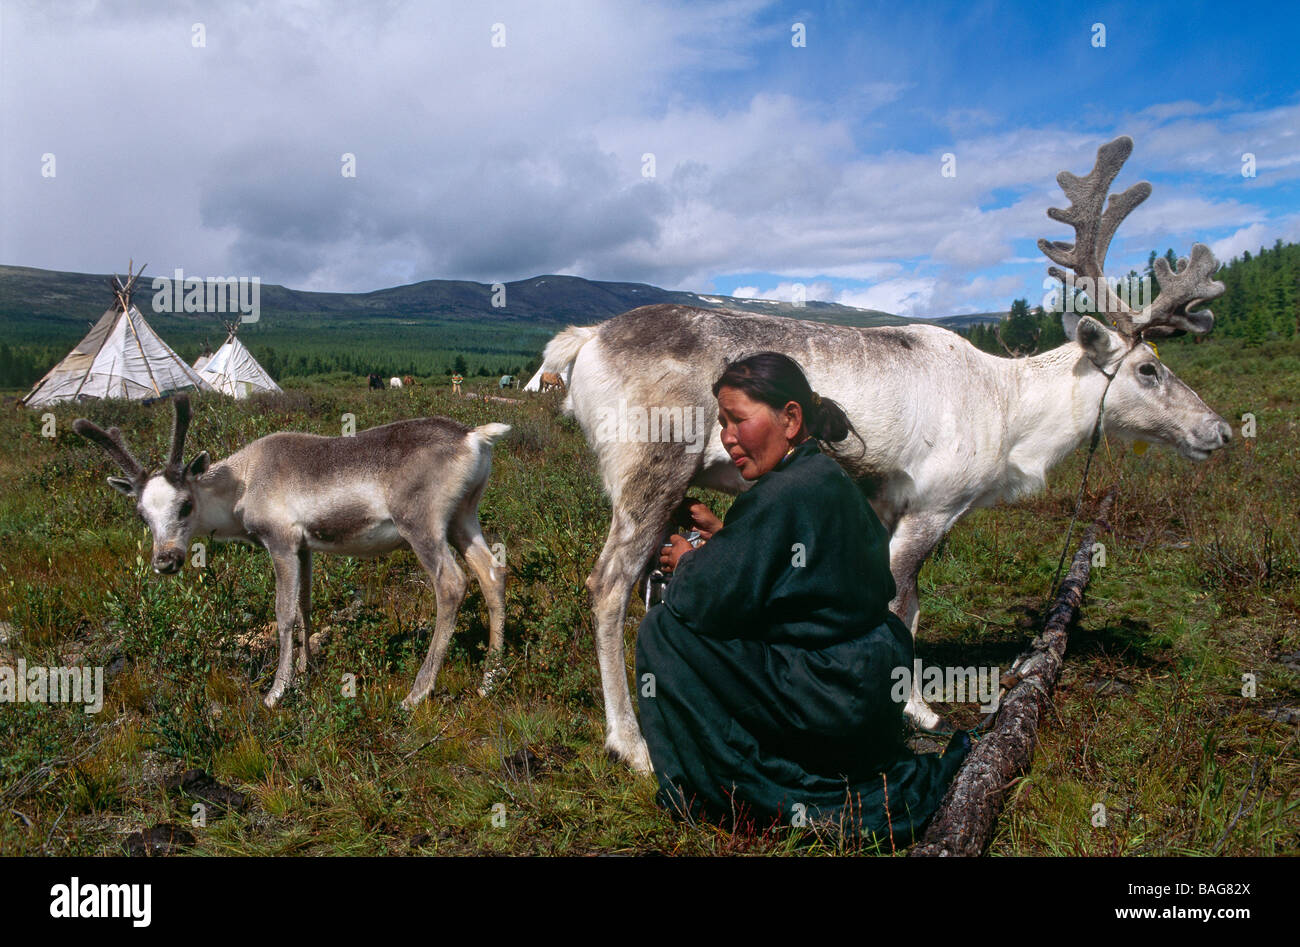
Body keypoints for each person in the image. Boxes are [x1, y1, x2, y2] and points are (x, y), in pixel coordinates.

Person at [634, 352, 970, 846]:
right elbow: (807, 575)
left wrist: (687, 562)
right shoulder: (826, 476)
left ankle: (722, 787)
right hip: (874, 683)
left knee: (664, 631)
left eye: (738, 420)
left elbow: (702, 601)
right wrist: (727, 537)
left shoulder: (779, 494)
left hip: (831, 694)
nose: (727, 437)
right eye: (722, 423)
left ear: (790, 419)